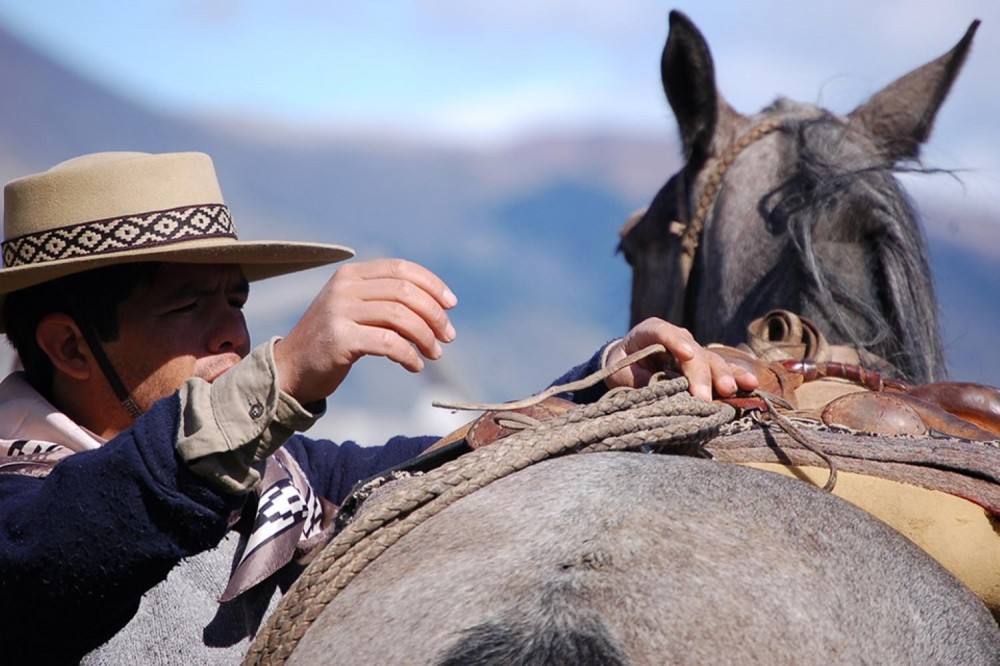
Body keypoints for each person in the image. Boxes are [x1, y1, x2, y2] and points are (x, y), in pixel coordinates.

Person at [0, 151, 757, 664]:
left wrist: (603, 383)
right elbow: (63, 543)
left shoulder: (281, 479)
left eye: (234, 299)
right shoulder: (21, 504)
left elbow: (422, 473)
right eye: (189, 306)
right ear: (70, 347)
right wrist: (286, 373)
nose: (231, 331)